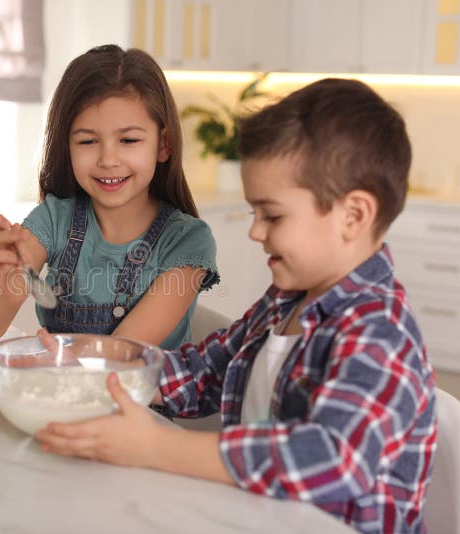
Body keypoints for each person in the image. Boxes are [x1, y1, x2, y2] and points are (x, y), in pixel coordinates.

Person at [35, 78, 437, 534]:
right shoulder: (283, 304)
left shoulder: (380, 331)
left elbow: (333, 458)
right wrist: (87, 361)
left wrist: (158, 448)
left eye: (273, 215)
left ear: (354, 215)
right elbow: (202, 372)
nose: (256, 232)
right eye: (254, 214)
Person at [0, 44, 219, 401]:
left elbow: (116, 357)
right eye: (88, 141)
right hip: (54, 404)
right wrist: (6, 294)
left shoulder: (187, 242)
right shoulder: (55, 218)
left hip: (137, 419)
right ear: (67, 146)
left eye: (129, 140)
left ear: (163, 144)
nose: (109, 159)